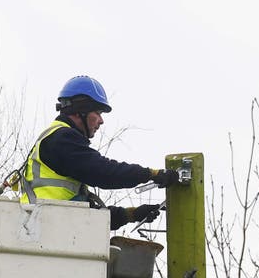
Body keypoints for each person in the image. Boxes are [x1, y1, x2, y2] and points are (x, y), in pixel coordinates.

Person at [19, 75, 180, 230]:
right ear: (80, 110)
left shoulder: (59, 142)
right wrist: (151, 174)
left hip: (50, 227)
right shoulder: (61, 139)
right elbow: (104, 172)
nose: (101, 121)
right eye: (97, 113)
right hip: (47, 228)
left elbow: (89, 217)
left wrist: (131, 214)